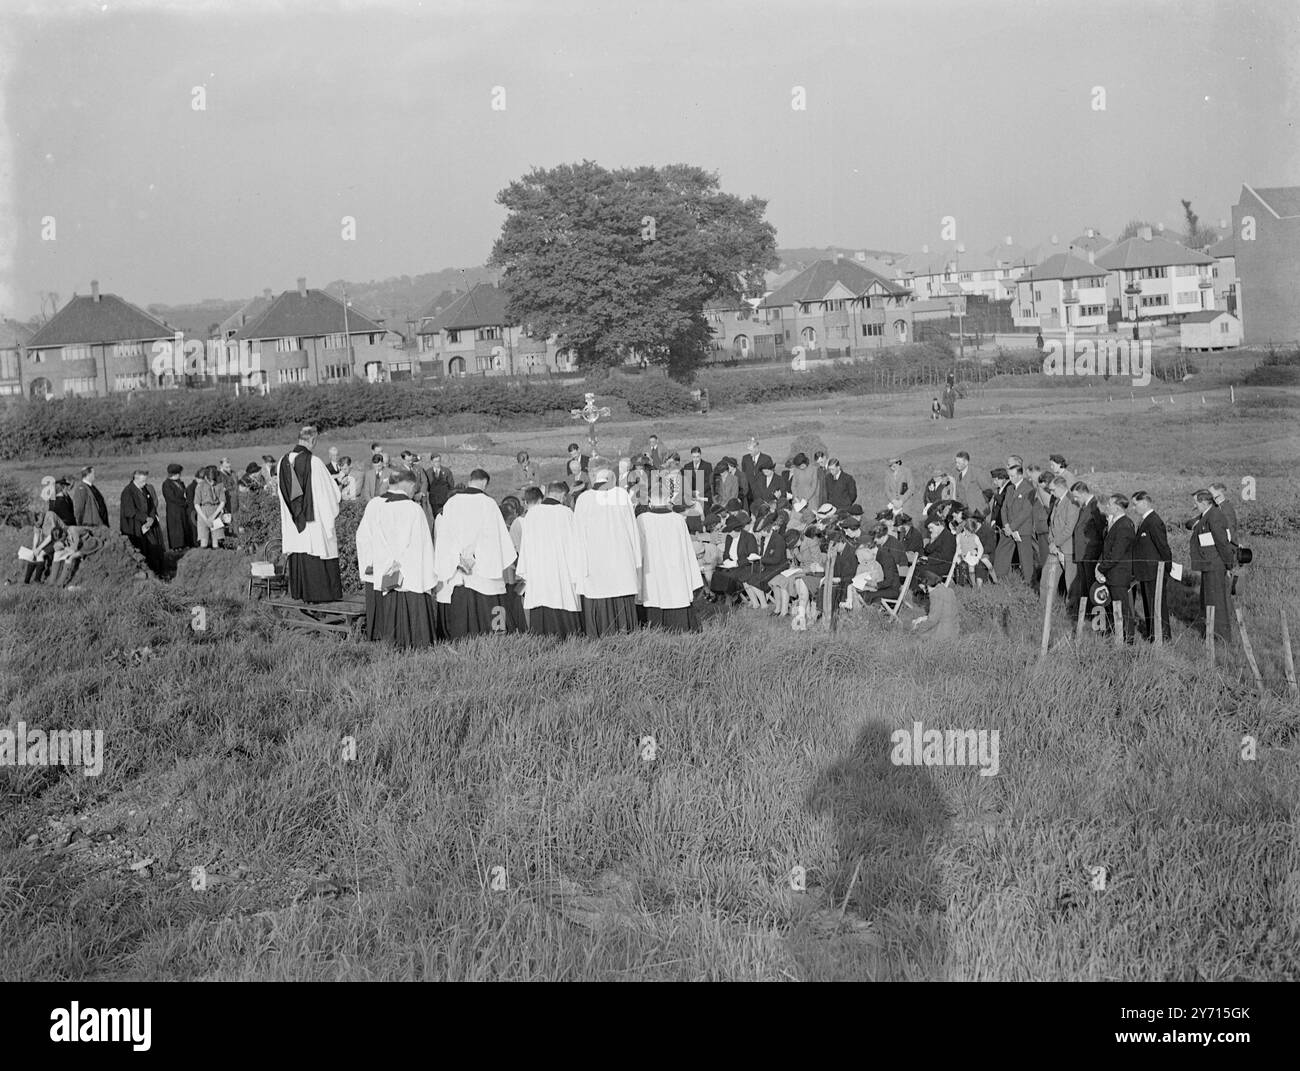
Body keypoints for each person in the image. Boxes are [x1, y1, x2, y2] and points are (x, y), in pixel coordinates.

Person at [355, 469, 438, 647]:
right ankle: (417, 640)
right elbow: (423, 542)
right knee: (413, 596)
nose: (413, 492)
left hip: (387, 567)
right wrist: (429, 571)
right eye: (413, 488)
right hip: (411, 568)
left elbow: (368, 538)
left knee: (390, 602)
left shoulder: (378, 506)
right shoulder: (414, 509)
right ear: (408, 485)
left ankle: (390, 640)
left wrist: (382, 561)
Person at [433, 469, 517, 639]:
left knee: (462, 607)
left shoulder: (452, 503)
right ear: (485, 483)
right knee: (490, 604)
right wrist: (475, 557)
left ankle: (461, 640)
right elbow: (493, 536)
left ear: (470, 480)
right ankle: (494, 636)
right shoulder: (488, 503)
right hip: (483, 568)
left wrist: (459, 557)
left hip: (459, 568)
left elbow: (446, 536)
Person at [572, 468, 642, 635]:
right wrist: (636, 560)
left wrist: (578, 565)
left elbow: (577, 534)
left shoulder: (583, 498)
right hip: (620, 558)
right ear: (611, 480)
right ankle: (625, 629)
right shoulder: (621, 495)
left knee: (597, 592)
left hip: (594, 559)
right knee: (619, 590)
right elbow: (632, 529)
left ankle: (599, 632)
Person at [278, 425, 344, 603]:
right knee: (317, 551)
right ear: (313, 440)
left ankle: (300, 593)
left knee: (300, 551)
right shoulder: (314, 462)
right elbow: (329, 494)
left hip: (294, 523)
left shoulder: (282, 462)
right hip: (313, 522)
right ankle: (321, 596)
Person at [516, 482, 585, 638]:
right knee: (562, 597)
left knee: (541, 599)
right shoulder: (566, 513)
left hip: (538, 567)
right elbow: (574, 544)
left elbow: (526, 545)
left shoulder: (532, 514)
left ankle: (541, 636)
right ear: (562, 495)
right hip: (561, 569)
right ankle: (568, 637)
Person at [636, 479, 705, 631]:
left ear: (649, 500)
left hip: (651, 567)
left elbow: (638, 548)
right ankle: (679, 626)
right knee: (675, 592)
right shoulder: (678, 519)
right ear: (668, 500)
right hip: (674, 567)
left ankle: (654, 626)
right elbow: (686, 549)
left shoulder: (642, 519)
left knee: (654, 593)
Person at [1189, 488, 1235, 644]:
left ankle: (1221, 638)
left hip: (1215, 565)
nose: (1194, 506)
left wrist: (1229, 566)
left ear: (1203, 502)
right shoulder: (1207, 515)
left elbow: (1222, 543)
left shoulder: (1214, 516)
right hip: (1209, 565)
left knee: (1217, 602)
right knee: (1209, 600)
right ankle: (1211, 634)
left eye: (1196, 502)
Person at [1130, 490, 1172, 642]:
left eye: (1135, 505)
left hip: (1155, 572)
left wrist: (1168, 567)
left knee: (1157, 604)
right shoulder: (1145, 521)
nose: (1133, 508)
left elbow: (1163, 547)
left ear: (1144, 503)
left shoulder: (1154, 521)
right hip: (1146, 571)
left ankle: (1162, 637)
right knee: (1150, 604)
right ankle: (1154, 635)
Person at [1096, 493, 1136, 643]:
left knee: (1123, 608)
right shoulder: (1116, 523)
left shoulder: (1124, 526)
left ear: (1118, 507)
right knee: (1116, 607)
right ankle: (1119, 636)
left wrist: (1101, 568)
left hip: (1119, 574)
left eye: (1110, 504)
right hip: (1113, 572)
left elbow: (1116, 554)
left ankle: (1128, 640)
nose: (1107, 506)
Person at [1067, 482, 1106, 623]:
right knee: (1084, 585)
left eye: (1077, 497)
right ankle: (1087, 614)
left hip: (1090, 554)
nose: (1075, 500)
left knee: (1091, 586)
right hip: (1082, 554)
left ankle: (1093, 616)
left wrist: (1098, 554)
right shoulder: (1086, 507)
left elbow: (1102, 532)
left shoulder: (1095, 507)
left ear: (1083, 493)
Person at [993, 464, 1035, 586]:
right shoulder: (1010, 489)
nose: (1010, 478)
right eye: (1009, 476)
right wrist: (1006, 525)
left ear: (1020, 475)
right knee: (1001, 552)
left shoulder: (1029, 489)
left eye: (1013, 476)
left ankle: (1029, 583)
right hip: (1008, 529)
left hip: (1022, 529)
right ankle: (998, 579)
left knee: (1025, 558)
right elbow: (1004, 508)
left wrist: (1012, 527)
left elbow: (1026, 512)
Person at [120, 470, 165, 574]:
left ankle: (157, 572)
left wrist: (151, 518)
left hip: (148, 525)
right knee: (140, 550)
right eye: (143, 481)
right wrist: (145, 518)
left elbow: (152, 506)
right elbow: (129, 511)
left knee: (154, 549)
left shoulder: (144, 489)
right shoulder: (128, 492)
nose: (145, 483)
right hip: (134, 527)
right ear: (136, 479)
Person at [1045, 476, 1078, 600]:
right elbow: (1051, 522)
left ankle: (1072, 612)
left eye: (1052, 490)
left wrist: (1056, 543)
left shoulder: (1071, 502)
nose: (1051, 493)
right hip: (1054, 548)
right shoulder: (1057, 501)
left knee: (1070, 582)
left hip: (1068, 549)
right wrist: (1050, 540)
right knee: (1046, 579)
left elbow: (1069, 528)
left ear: (1060, 487)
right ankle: (1045, 607)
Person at [911, 572, 959, 641]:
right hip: (954, 631)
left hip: (943, 634)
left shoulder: (935, 594)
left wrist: (919, 627)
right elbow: (944, 613)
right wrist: (922, 618)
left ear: (926, 584)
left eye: (923, 588)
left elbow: (933, 620)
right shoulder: (950, 591)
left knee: (917, 635)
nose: (924, 592)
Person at [162, 464, 194, 550]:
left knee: (183, 527)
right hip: (174, 511)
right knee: (176, 529)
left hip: (182, 510)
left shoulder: (180, 483)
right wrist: (184, 502)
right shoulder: (167, 484)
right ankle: (177, 546)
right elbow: (171, 498)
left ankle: (185, 544)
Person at [739, 437, 774, 509]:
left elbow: (771, 476)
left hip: (763, 493)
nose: (749, 452)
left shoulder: (767, 459)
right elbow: (744, 475)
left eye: (751, 450)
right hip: (749, 493)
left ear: (756, 448)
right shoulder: (745, 458)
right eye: (748, 450)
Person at [681, 447, 714, 512]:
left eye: (697, 457)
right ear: (691, 456)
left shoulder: (707, 466)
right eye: (694, 457)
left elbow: (709, 481)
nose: (696, 459)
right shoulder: (687, 466)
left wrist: (698, 491)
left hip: (704, 495)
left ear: (700, 455)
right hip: (691, 496)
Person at [216, 457, 239, 536]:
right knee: (227, 520)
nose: (229, 469)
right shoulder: (219, 476)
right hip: (226, 500)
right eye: (226, 467)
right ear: (221, 466)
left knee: (235, 520)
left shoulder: (232, 473)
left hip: (234, 500)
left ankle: (235, 537)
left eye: (229, 467)